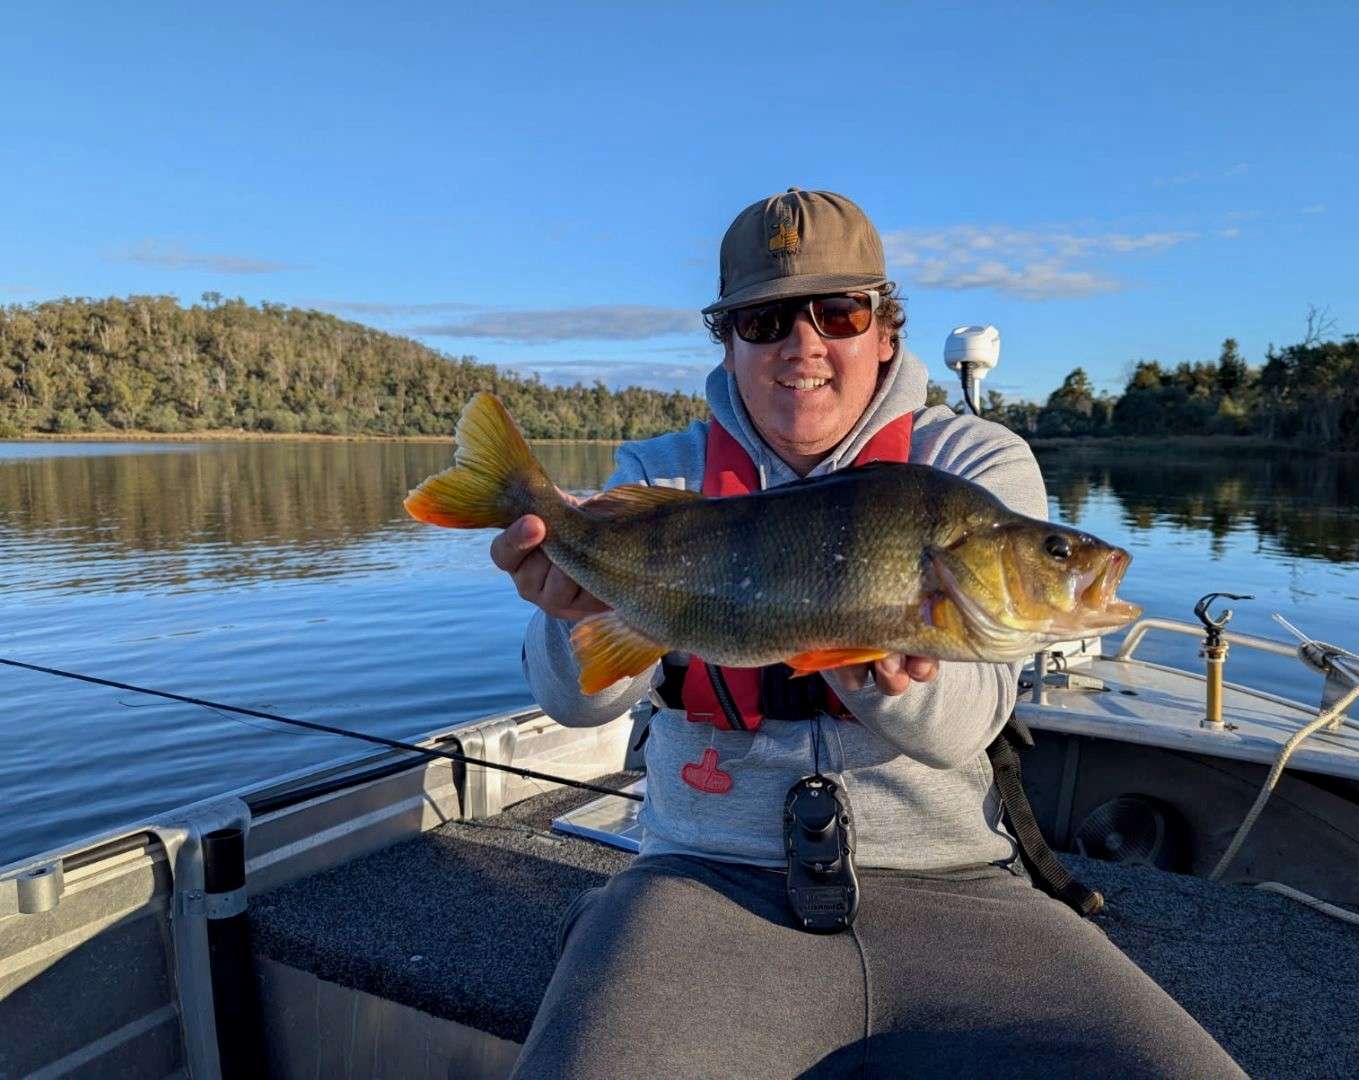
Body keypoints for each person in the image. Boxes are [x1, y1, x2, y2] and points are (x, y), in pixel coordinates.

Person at [496, 189, 1244, 1078]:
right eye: (764, 319)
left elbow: (961, 729)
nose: (802, 343)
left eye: (837, 312)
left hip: (958, 888)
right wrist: (564, 605)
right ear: (728, 343)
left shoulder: (974, 464)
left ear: (884, 331)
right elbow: (572, 706)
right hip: (701, 875)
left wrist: (863, 645)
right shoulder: (660, 474)